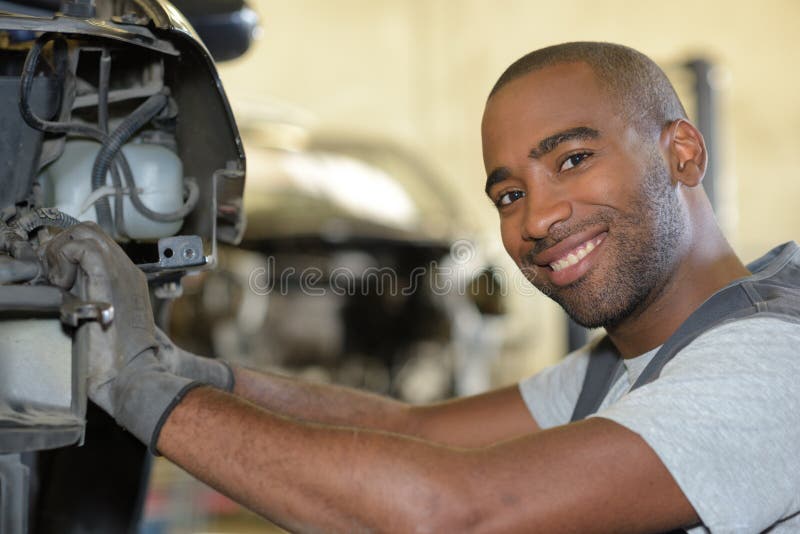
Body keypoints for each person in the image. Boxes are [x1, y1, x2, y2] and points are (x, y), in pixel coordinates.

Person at [45, 42, 800, 533]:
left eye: (571, 159)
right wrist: (197, 375)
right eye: (509, 195)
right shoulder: (636, 356)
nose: (539, 218)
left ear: (683, 152)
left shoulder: (768, 366)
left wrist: (142, 388)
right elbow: (417, 434)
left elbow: (454, 511)